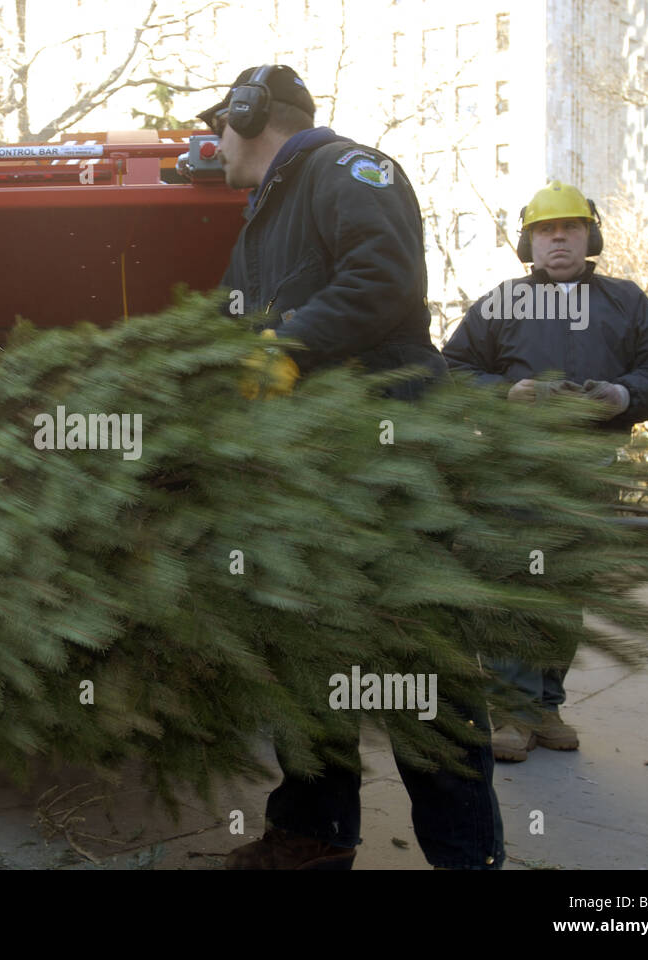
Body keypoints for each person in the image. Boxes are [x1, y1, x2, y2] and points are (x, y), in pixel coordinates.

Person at [206, 64, 505, 871]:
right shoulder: (258, 221)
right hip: (306, 466)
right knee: (303, 646)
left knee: (416, 656)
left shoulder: (350, 170)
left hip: (386, 453)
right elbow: (229, 325)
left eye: (219, 126)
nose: (212, 142)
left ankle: (463, 857)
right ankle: (312, 833)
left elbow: (383, 279)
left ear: (250, 114)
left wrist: (286, 347)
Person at [443, 181, 648, 761]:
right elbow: (450, 368)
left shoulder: (627, 301)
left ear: (589, 235)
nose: (558, 238)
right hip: (516, 467)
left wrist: (623, 396)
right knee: (516, 585)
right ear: (529, 241)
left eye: (570, 228)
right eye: (546, 230)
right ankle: (512, 708)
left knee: (566, 588)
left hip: (591, 467)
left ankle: (545, 704)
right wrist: (505, 393)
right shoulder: (502, 302)